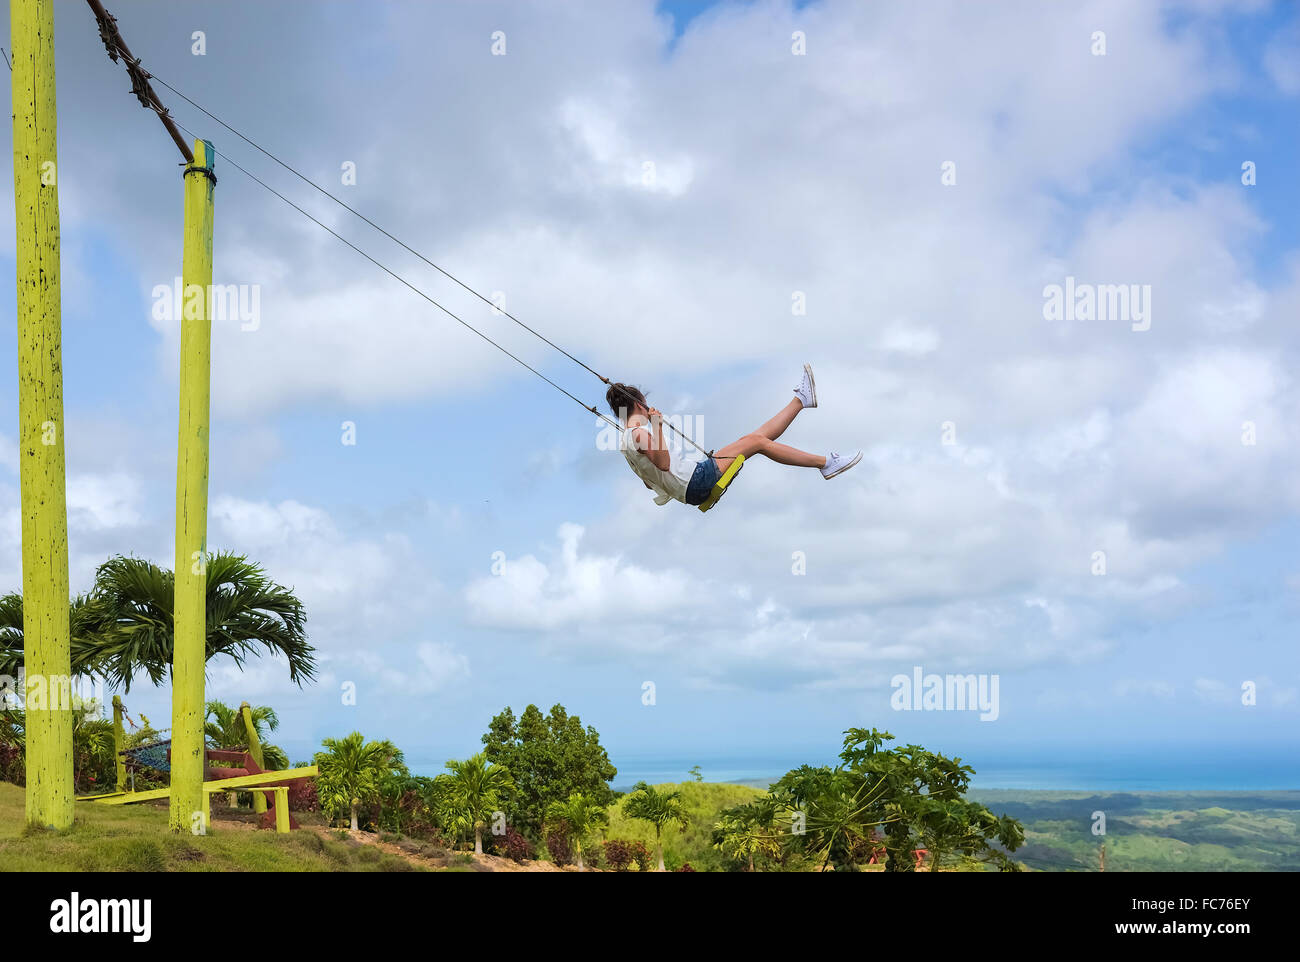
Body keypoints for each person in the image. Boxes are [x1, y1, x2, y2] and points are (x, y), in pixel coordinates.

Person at [608, 364, 862, 507]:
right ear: (640, 405)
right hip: (694, 482)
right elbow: (662, 463)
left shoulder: (625, 442)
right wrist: (658, 425)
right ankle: (826, 464)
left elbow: (649, 481)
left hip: (691, 483)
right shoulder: (640, 433)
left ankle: (801, 400)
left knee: (754, 438)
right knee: (757, 442)